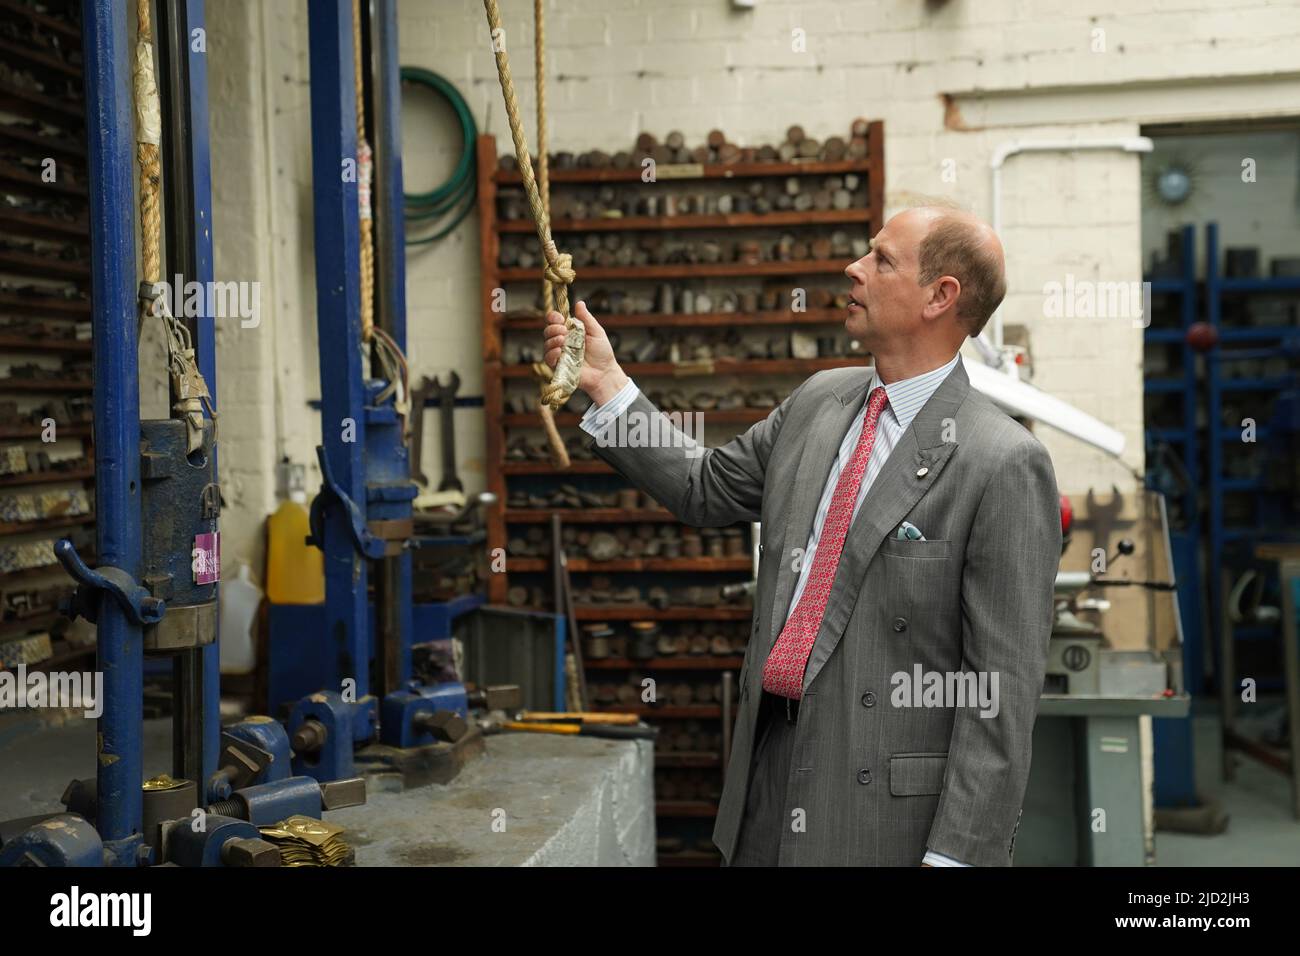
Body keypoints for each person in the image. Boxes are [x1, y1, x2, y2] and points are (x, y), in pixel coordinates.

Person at [542, 204, 1062, 866]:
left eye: (881, 259)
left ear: (941, 296)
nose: (854, 268)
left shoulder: (1001, 461)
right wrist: (609, 386)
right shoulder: (820, 402)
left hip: (889, 819)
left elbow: (1001, 690)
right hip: (772, 774)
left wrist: (957, 856)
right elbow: (706, 489)